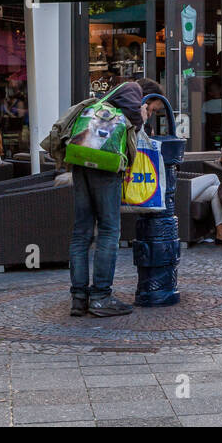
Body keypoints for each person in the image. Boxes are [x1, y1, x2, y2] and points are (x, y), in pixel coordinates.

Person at [69, 80, 147, 318]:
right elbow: (136, 117)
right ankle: (101, 297)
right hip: (105, 166)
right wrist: (143, 114)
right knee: (109, 231)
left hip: (81, 161)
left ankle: (79, 298)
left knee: (81, 233)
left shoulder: (105, 100)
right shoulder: (134, 90)